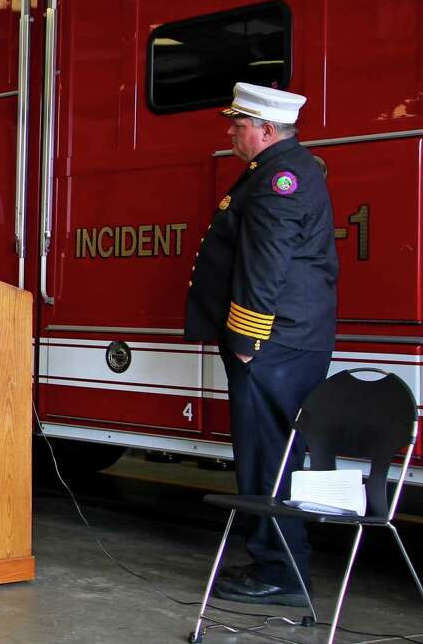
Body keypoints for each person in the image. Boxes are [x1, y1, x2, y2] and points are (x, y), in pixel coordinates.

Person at [185, 83, 338, 607]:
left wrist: (248, 337)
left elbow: (265, 262)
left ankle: (281, 570)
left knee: (268, 454)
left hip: (272, 343)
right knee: (272, 452)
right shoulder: (274, 172)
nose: (231, 132)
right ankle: (276, 558)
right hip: (287, 340)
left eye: (239, 124)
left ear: (266, 130)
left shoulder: (279, 180)